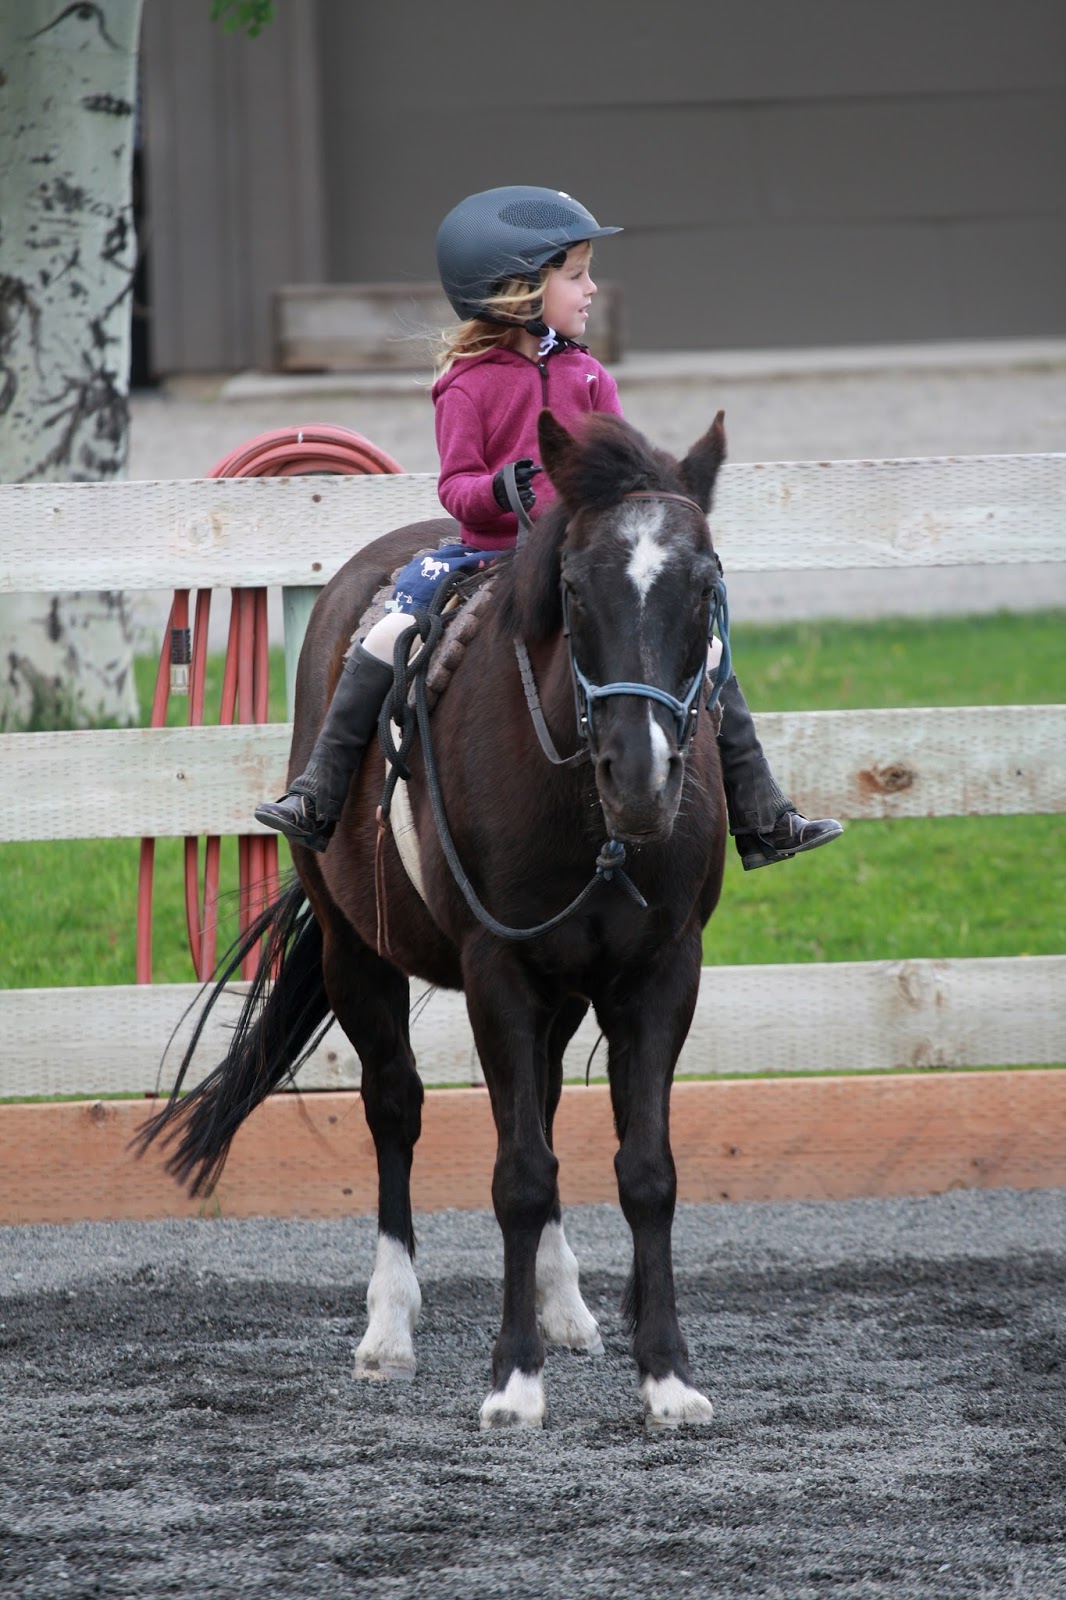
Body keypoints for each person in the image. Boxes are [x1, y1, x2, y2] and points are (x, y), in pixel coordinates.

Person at [255, 185, 842, 870]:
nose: (592, 288)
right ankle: (318, 793)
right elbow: (455, 487)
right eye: (576, 273)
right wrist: (498, 490)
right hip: (486, 555)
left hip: (575, 555)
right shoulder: (467, 384)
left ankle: (762, 812)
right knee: (387, 629)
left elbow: (625, 475)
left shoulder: (589, 377)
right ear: (519, 290)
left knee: (707, 650)